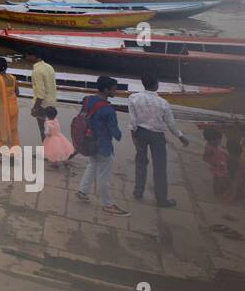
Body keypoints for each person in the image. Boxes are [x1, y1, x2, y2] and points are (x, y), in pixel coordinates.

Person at [128, 72, 189, 207]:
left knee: (141, 163)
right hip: (157, 136)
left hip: (140, 134)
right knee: (160, 167)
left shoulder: (133, 98)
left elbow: (132, 121)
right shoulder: (163, 103)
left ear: (143, 83)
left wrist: (133, 137)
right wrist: (180, 136)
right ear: (157, 85)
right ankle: (161, 199)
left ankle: (138, 192)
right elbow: (171, 124)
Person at [76, 76, 127, 215]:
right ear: (106, 90)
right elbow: (115, 132)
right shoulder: (108, 110)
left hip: (88, 141)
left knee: (92, 165)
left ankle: (83, 191)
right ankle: (108, 204)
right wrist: (120, 135)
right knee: (104, 175)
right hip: (103, 145)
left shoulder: (87, 100)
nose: (115, 92)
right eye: (113, 89)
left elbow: (82, 116)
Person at [28, 53, 58, 144]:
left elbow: (40, 94)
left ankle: (47, 153)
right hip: (51, 104)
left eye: (27, 55)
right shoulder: (49, 67)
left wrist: (35, 108)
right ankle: (51, 152)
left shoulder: (37, 71)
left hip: (42, 106)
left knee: (44, 131)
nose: (27, 58)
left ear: (33, 56)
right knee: (50, 131)